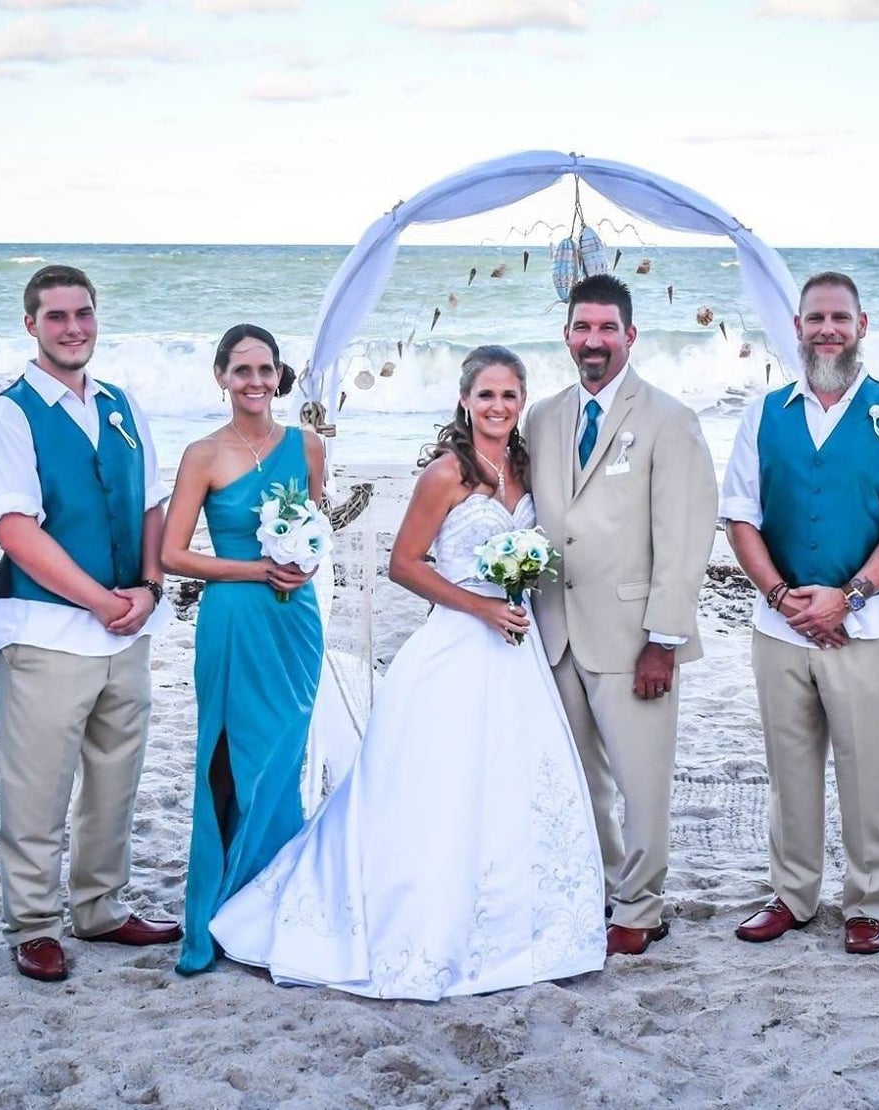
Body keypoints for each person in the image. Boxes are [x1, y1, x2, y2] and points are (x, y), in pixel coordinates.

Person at [209, 346, 606, 999]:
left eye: (509, 395)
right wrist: (480, 605)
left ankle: (515, 924)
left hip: (518, 652)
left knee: (513, 780)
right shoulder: (445, 474)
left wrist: (519, 588)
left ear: (522, 401)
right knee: (438, 787)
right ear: (464, 401)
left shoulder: (527, 468)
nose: (498, 407)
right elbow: (405, 564)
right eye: (486, 395)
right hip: (456, 647)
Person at [0, 264, 179, 984]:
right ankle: (33, 925)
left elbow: (151, 503)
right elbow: (15, 529)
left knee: (116, 778)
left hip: (128, 627)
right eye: (56, 316)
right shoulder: (8, 416)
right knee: (38, 787)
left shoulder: (122, 404)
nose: (73, 328)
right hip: (47, 631)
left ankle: (101, 907)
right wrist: (98, 600)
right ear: (31, 324)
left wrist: (149, 586)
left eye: (82, 313)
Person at [720, 273, 879, 956]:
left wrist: (849, 596)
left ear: (861, 325)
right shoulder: (765, 413)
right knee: (788, 768)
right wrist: (780, 595)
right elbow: (740, 517)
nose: (827, 330)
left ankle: (869, 902)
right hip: (778, 626)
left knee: (869, 768)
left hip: (864, 627)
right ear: (797, 327)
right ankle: (792, 894)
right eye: (815, 318)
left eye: (839, 318)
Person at [524, 274, 719, 957]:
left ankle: (642, 908)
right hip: (555, 631)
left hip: (635, 637)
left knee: (642, 783)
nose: (594, 340)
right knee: (581, 780)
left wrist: (664, 639)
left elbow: (685, 537)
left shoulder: (670, 419)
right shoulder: (542, 417)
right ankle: (605, 890)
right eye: (583, 327)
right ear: (566, 335)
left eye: (607, 328)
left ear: (631, 336)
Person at [163, 324, 326, 976]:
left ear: (279, 375)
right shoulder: (203, 454)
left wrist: (303, 564)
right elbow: (173, 554)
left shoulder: (307, 446)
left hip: (294, 620)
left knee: (284, 751)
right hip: (233, 617)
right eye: (242, 370)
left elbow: (314, 531)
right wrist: (256, 569)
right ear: (221, 377)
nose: (255, 381)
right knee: (229, 758)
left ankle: (273, 901)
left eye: (265, 369)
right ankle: (222, 901)